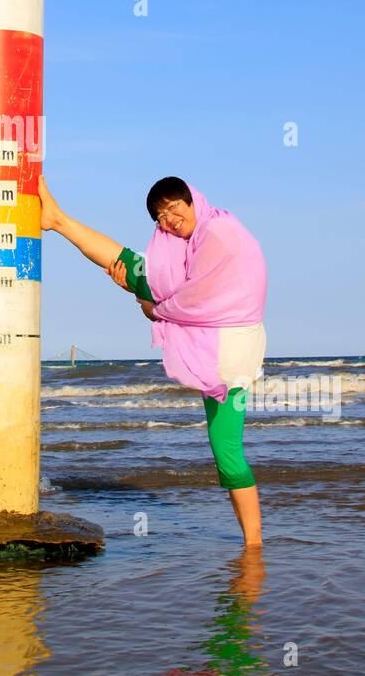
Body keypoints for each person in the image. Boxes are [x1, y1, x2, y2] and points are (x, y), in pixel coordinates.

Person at [37, 175, 267, 547]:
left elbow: (196, 299)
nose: (169, 220)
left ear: (192, 201)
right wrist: (149, 300)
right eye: (160, 217)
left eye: (174, 208)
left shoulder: (219, 234)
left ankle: (254, 547)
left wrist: (152, 306)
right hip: (217, 344)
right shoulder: (192, 240)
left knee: (226, 450)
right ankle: (58, 221)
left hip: (231, 354)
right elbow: (176, 293)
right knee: (133, 268)